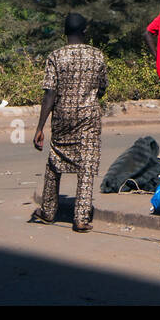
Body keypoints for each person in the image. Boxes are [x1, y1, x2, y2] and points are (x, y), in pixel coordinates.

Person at [29, 13, 109, 233]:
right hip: (88, 116)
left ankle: (48, 210)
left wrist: (39, 127)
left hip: (62, 117)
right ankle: (81, 218)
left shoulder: (55, 57)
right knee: (87, 164)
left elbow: (49, 94)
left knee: (55, 161)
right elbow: (102, 87)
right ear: (85, 31)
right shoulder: (97, 56)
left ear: (65, 32)